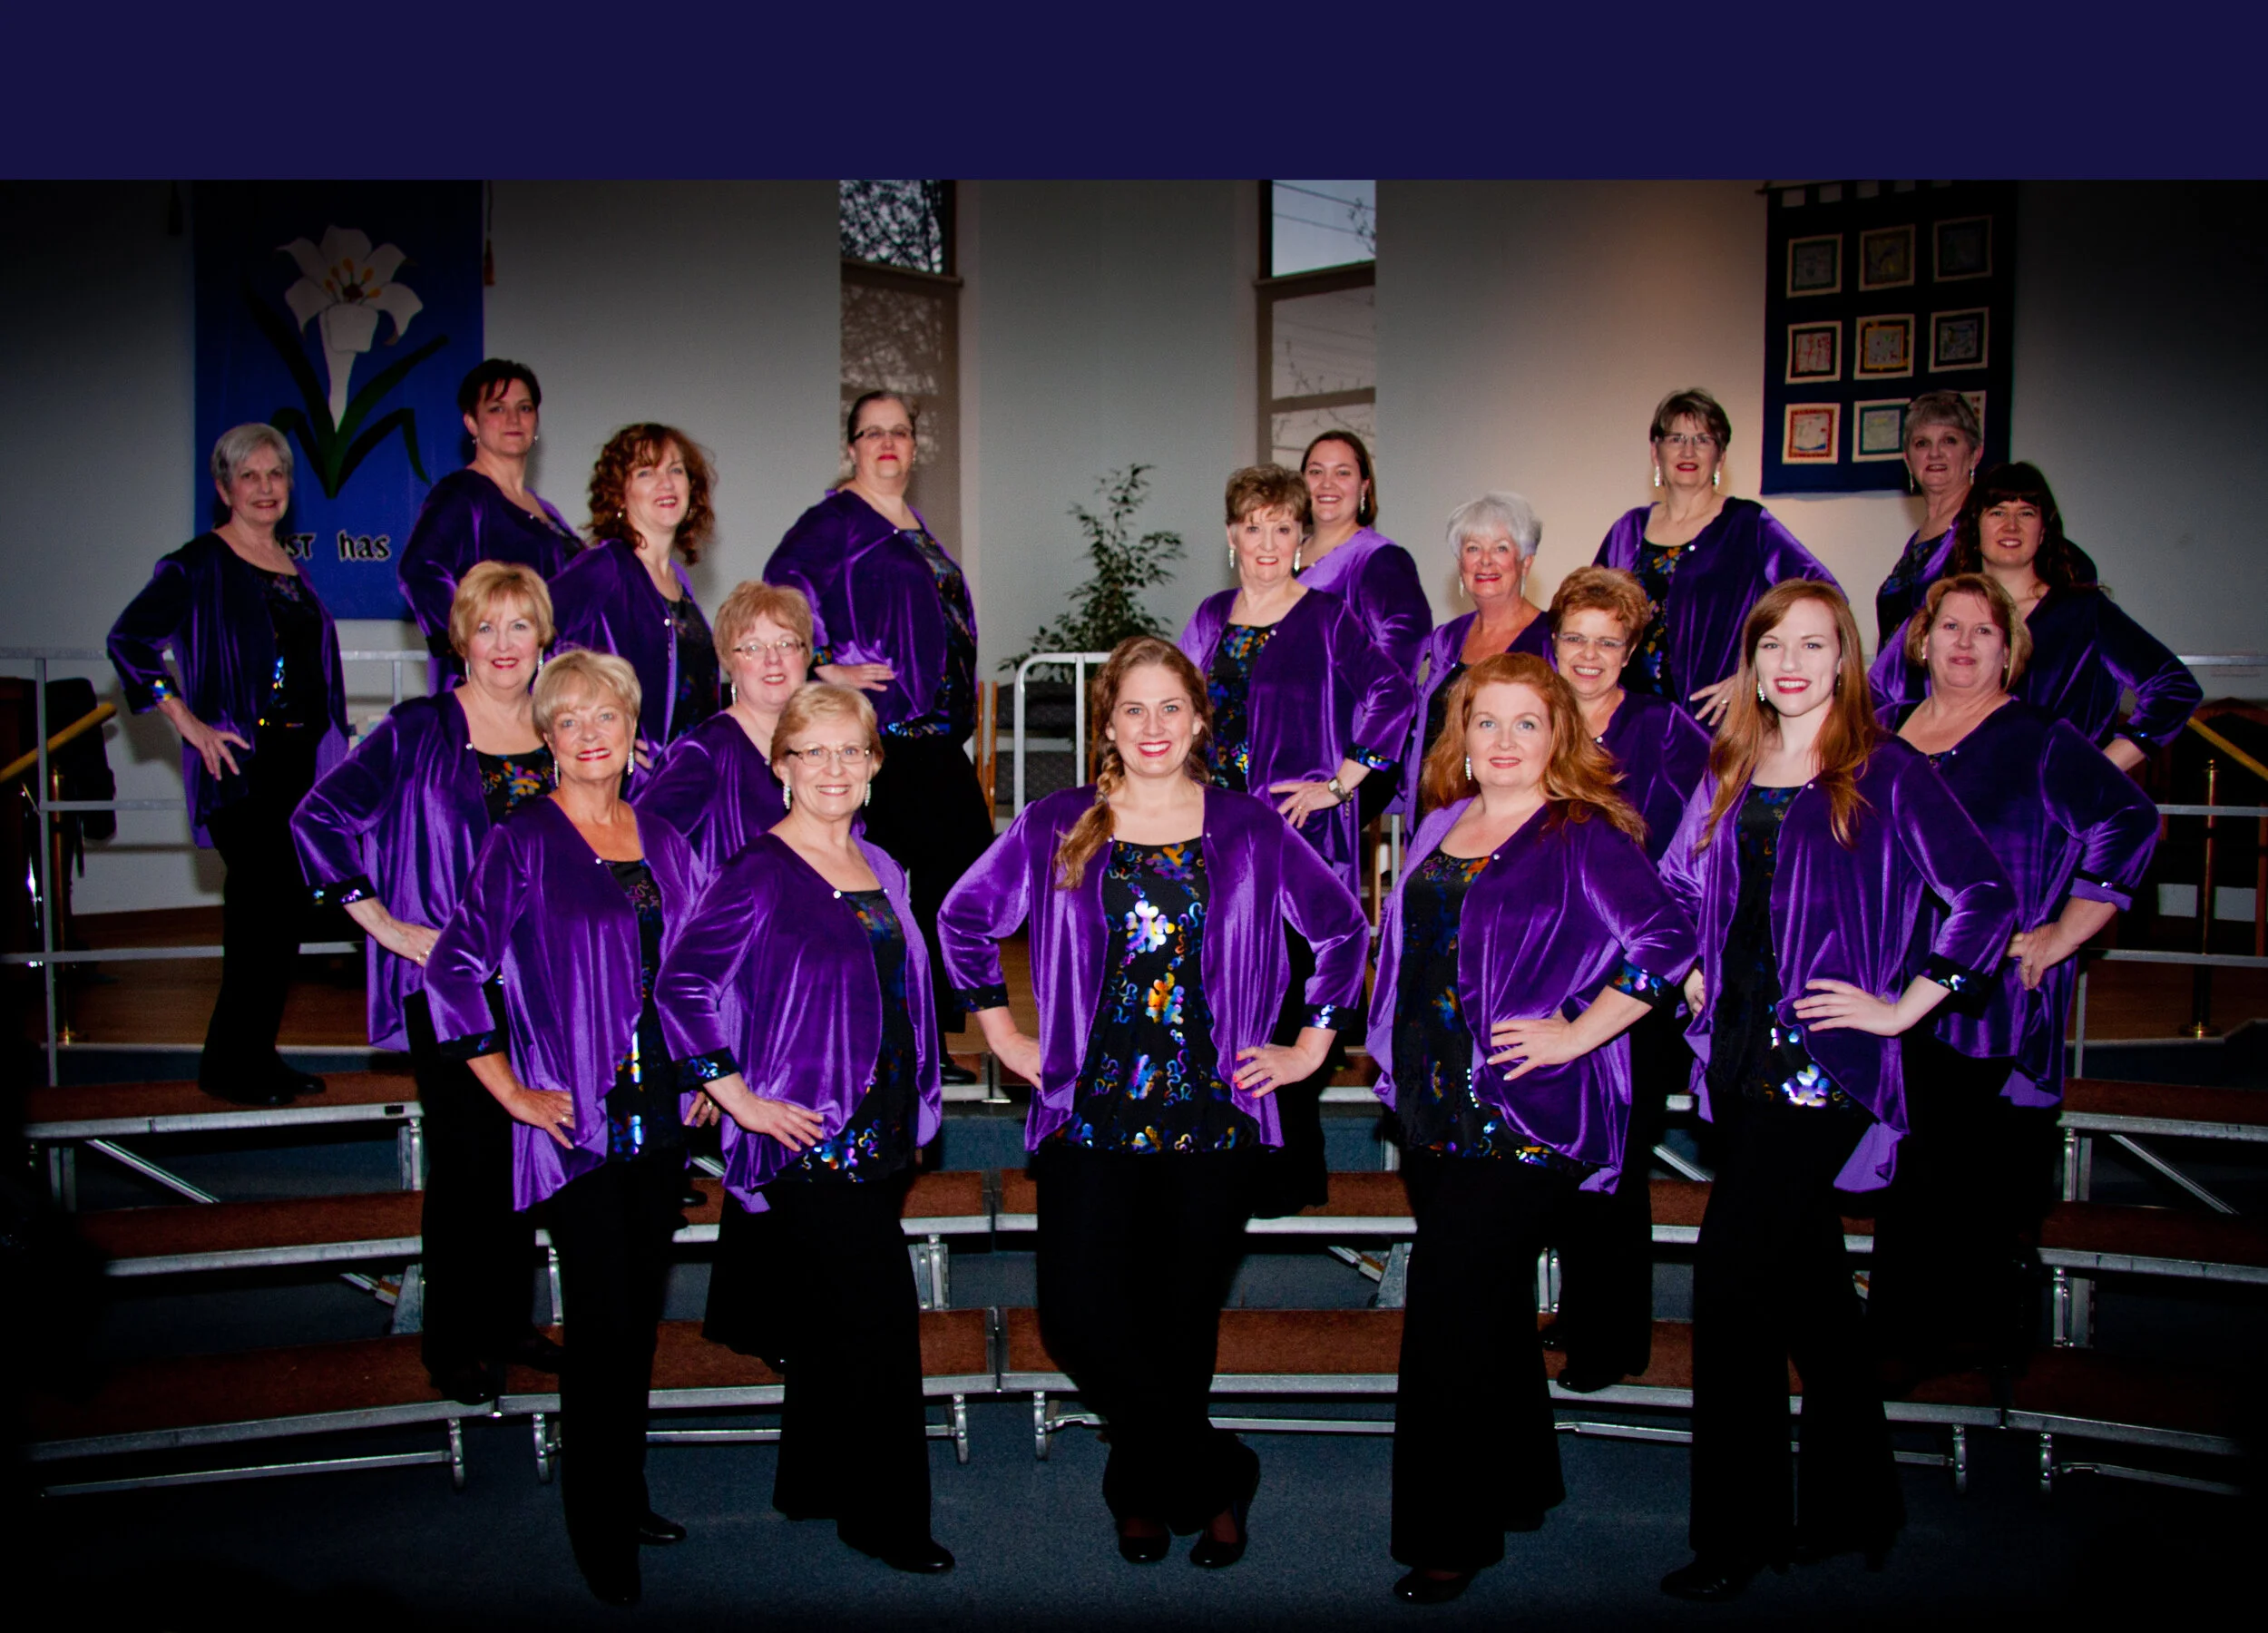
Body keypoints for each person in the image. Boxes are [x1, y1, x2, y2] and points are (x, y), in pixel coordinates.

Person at [937, 637, 1369, 1570]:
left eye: (1170, 707)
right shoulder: (1058, 821)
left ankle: (1140, 1491)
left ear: (1200, 720)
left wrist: (1310, 1046)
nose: (1152, 726)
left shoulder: (1247, 826)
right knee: (1078, 1318)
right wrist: (1001, 1033)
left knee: (1178, 1323)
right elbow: (963, 916)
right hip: (1088, 1113)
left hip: (1212, 1112)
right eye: (1132, 709)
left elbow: (1342, 927)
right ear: (1107, 726)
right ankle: (1217, 1473)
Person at [1655, 582, 2013, 1601]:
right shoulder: (1731, 762)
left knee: (1729, 1281)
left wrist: (1904, 1007)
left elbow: (1985, 895)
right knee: (1810, 1287)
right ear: (1753, 660)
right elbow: (1676, 887)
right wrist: (1686, 969)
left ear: (1846, 659)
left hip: (1825, 1066)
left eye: (1814, 644)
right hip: (1736, 1056)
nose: (1791, 663)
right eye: (1774, 644)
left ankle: (1737, 1535)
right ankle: (1858, 1505)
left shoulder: (1883, 767)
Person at [1371, 652, 1695, 1604]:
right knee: (1491, 1300)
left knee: (1447, 1308)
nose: (1504, 740)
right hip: (1435, 1105)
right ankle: (1519, 1481)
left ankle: (1449, 1533)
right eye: (1486, 721)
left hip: (1525, 1112)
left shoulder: (1583, 832)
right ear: (1461, 737)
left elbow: (1668, 941)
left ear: (1560, 737)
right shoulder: (1441, 823)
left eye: (1526, 723)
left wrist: (1579, 1031)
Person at [421, 650, 707, 1607]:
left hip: (660, 1120)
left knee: (637, 1327)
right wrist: (508, 1089)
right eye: (571, 721)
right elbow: (453, 968)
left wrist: (712, 1071)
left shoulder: (663, 836)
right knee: (601, 1323)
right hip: (578, 1126)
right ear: (547, 738)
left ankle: (625, 1493)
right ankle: (596, 1526)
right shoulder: (524, 839)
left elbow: (700, 966)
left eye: (606, 718)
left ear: (632, 730)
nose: (591, 735)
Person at [655, 683, 953, 1575]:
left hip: (883, 1123)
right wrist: (737, 1097)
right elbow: (682, 985)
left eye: (850, 750)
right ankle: (885, 1518)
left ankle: (813, 1481)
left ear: (873, 765)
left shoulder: (881, 862)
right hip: (809, 1136)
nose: (833, 768)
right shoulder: (759, 868)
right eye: (812, 751)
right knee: (880, 1322)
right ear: (781, 767)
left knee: (831, 1317)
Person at [1867, 573, 2158, 1383]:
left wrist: (2069, 929)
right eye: (1949, 627)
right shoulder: (1880, 732)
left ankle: (1928, 1344)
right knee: (1906, 1164)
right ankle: (1907, 1335)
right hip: (1885, 984)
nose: (1963, 643)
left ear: (2010, 650)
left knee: (1952, 1172)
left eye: (1984, 631)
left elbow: (2128, 817)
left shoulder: (2038, 736)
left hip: (1982, 992)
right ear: (1919, 641)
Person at [291, 563, 565, 1403]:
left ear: (544, 637)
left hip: (543, 988)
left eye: (519, 626)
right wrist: (383, 923)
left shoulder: (562, 727)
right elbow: (318, 819)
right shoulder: (419, 728)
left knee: (524, 1151)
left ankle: (509, 1321)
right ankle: (453, 1340)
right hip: (451, 985)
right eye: (486, 627)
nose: (503, 644)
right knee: (465, 1161)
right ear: (459, 640)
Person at [1179, 464, 1415, 1214]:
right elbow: (1174, 705)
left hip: (1298, 844)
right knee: (1219, 1000)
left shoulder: (1328, 616)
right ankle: (1224, 1159)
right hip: (1212, 844)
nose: (1268, 542)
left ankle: (1286, 1175)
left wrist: (1342, 782)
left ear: (1302, 539)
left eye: (1283, 527)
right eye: (1254, 527)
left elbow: (1394, 690)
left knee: (1287, 1003)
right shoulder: (1209, 617)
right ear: (1231, 535)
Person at [108, 423, 347, 1106]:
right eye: (250, 475)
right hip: (242, 766)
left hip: (301, 765)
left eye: (276, 474)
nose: (266, 487)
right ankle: (232, 1064)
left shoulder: (291, 567)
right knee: (259, 911)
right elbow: (129, 640)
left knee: (279, 917)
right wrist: (186, 722)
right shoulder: (198, 563)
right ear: (223, 488)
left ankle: (252, 1055)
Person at [765, 391, 994, 1084]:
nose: (887, 442)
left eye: (899, 431)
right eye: (872, 432)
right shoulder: (835, 518)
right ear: (851, 446)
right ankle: (885, 1038)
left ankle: (928, 1036)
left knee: (954, 878)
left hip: (933, 734)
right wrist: (824, 663)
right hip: (882, 734)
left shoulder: (912, 524)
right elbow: (780, 592)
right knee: (885, 886)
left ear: (915, 446)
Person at [1537, 566, 1712, 1392]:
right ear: (1554, 640)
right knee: (1568, 1149)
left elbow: (1702, 844)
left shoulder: (1665, 729)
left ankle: (1614, 1342)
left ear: (1633, 649)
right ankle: (1580, 1313)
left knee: (1616, 1158)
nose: (1589, 655)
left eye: (1608, 642)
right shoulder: (1533, 717)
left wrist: (1693, 956)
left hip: (1632, 968)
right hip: (1546, 968)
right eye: (1576, 638)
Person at [632, 580, 813, 1360]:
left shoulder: (817, 746)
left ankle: (759, 1313)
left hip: (798, 987)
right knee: (760, 1142)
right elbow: (642, 861)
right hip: (728, 986)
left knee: (786, 1139)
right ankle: (761, 1320)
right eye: (752, 646)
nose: (772, 661)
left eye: (787, 645)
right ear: (727, 662)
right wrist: (700, 1047)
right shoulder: (706, 750)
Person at [1595, 387, 1838, 728]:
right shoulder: (1628, 528)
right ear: (1655, 451)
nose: (1688, 450)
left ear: (1720, 456)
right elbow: (1587, 613)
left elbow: (1824, 596)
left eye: (1703, 440)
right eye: (1676, 438)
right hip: (1630, 717)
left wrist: (1755, 676)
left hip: (1712, 723)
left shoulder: (1748, 524)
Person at [1941, 463, 2198, 770]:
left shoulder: (2084, 612)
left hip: (2053, 799)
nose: (2011, 526)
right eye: (1997, 512)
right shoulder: (1945, 615)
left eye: (2026, 513)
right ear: (1974, 527)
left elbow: (2175, 689)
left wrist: (2098, 772)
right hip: (1960, 795)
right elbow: (1894, 699)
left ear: (2043, 531)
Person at [1867, 396, 2097, 711]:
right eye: (1922, 443)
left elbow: (2073, 581)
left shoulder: (1994, 535)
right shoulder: (1918, 541)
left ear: (1975, 454)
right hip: (1906, 709)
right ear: (1908, 460)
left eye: (1949, 440)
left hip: (1968, 709)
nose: (1934, 453)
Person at [396, 359, 582, 680]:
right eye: (497, 408)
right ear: (472, 422)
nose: (513, 419)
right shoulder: (462, 494)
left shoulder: (545, 510)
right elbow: (420, 571)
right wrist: (479, 643)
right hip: (490, 688)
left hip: (546, 685)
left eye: (524, 408)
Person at [551, 424, 722, 758]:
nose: (666, 483)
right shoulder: (606, 565)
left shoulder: (679, 582)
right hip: (633, 781)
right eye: (646, 472)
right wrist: (595, 733)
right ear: (619, 493)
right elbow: (529, 637)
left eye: (676, 470)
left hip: (688, 774)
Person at [1294, 431, 1432, 823]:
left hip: (1347, 751)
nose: (1327, 484)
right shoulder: (1281, 556)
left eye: (1342, 472)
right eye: (1316, 472)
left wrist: (1347, 772)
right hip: (1285, 744)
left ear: (1365, 486)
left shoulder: (1379, 558)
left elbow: (1400, 665)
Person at [1398, 492, 1553, 820]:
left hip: (1515, 816)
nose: (1485, 561)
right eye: (1473, 549)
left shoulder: (1550, 639)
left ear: (1526, 561)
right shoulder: (1446, 638)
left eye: (1501, 548)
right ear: (1460, 564)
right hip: (1438, 809)